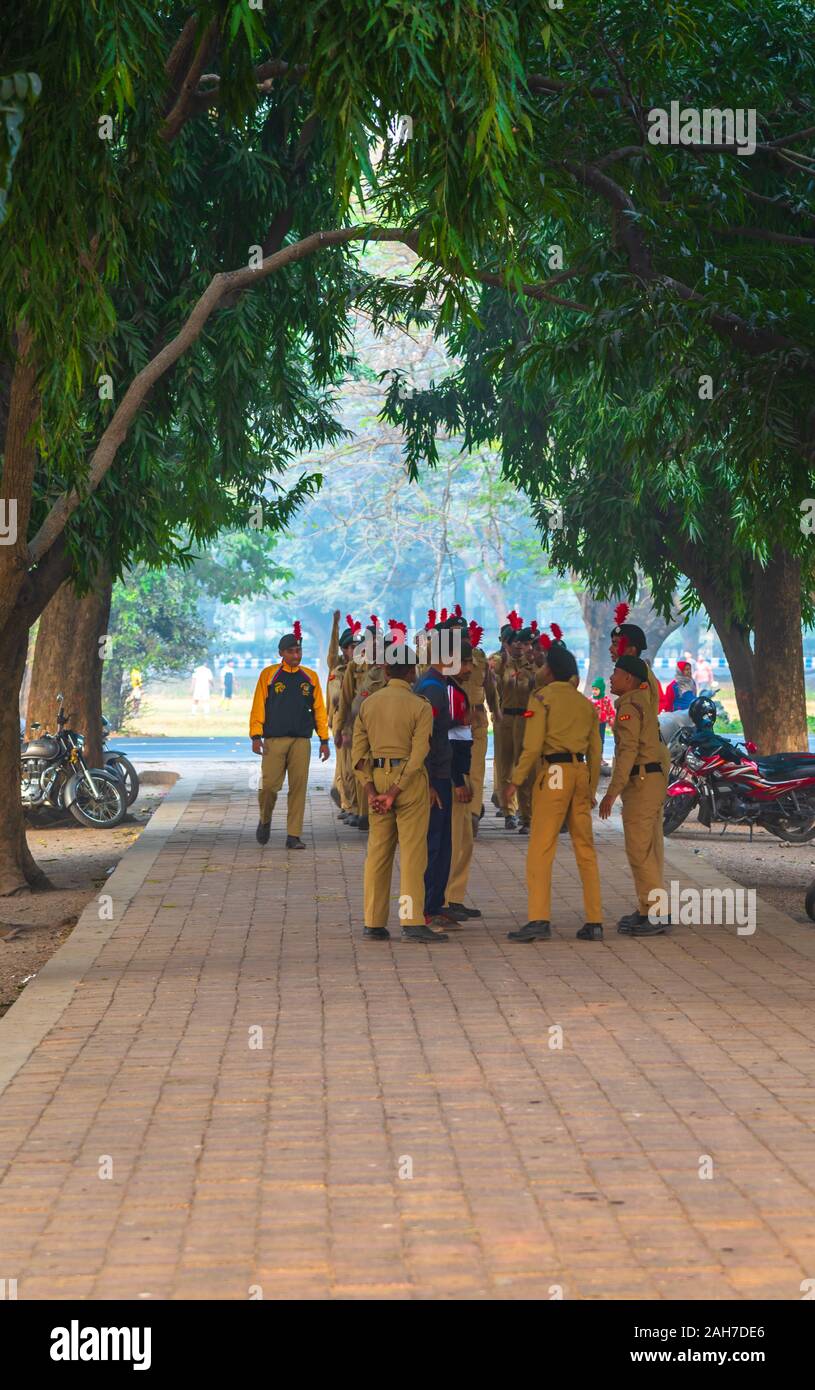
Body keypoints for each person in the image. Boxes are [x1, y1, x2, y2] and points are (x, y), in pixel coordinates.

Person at [504, 640, 603, 943]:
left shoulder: (541, 699)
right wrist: (592, 787)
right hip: (580, 773)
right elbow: (596, 752)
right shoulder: (586, 705)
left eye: (545, 665)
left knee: (541, 848)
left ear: (552, 671)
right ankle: (595, 920)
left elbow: (532, 746)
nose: (542, 669)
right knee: (585, 849)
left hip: (555, 774)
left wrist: (515, 781)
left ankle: (538, 919)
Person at [352, 637, 436, 941]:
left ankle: (373, 921)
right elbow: (419, 754)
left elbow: (358, 752)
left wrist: (372, 791)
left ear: (386, 671)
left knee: (378, 852)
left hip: (378, 778)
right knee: (413, 853)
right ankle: (411, 919)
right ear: (412, 672)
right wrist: (396, 790)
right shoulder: (419, 706)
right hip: (408, 784)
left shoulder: (368, 704)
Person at [598, 654, 670, 936]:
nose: (612, 678)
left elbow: (627, 752)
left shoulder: (629, 706)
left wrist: (611, 793)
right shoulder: (643, 700)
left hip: (641, 781)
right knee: (647, 849)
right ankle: (648, 909)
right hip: (650, 779)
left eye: (615, 672)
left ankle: (656, 913)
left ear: (629, 678)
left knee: (639, 851)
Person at [250, 621, 330, 849]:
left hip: (301, 741)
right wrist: (256, 735)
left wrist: (324, 740)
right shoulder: (269, 675)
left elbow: (319, 711)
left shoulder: (310, 677)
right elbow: (258, 707)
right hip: (274, 740)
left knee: (298, 787)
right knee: (268, 787)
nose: (296, 655)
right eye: (291, 651)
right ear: (281, 653)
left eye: (299, 651)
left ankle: (293, 835)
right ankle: (265, 819)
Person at [414, 616, 466, 932]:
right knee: (434, 843)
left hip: (443, 773)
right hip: (436, 776)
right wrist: (433, 781)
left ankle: (436, 903)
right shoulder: (432, 688)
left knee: (444, 842)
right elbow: (430, 739)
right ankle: (426, 906)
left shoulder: (441, 685)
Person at [328, 612, 361, 820]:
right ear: (343, 649)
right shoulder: (336, 667)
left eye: (357, 646)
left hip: (353, 724)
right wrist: (335, 626)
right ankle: (346, 802)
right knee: (343, 767)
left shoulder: (359, 670)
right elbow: (331, 652)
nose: (354, 650)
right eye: (350, 647)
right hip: (339, 724)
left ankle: (352, 806)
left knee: (352, 768)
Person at [608, 603, 663, 717]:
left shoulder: (639, 675)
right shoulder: (637, 671)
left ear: (631, 650)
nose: (610, 649)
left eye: (615, 644)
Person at [590, 675, 615, 771]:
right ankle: (593, 758)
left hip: (602, 724)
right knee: (593, 741)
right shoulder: (591, 700)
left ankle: (600, 758)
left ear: (601, 689)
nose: (594, 691)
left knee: (601, 741)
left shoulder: (605, 700)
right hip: (593, 724)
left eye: (596, 689)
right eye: (593, 689)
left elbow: (610, 711)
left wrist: (611, 720)